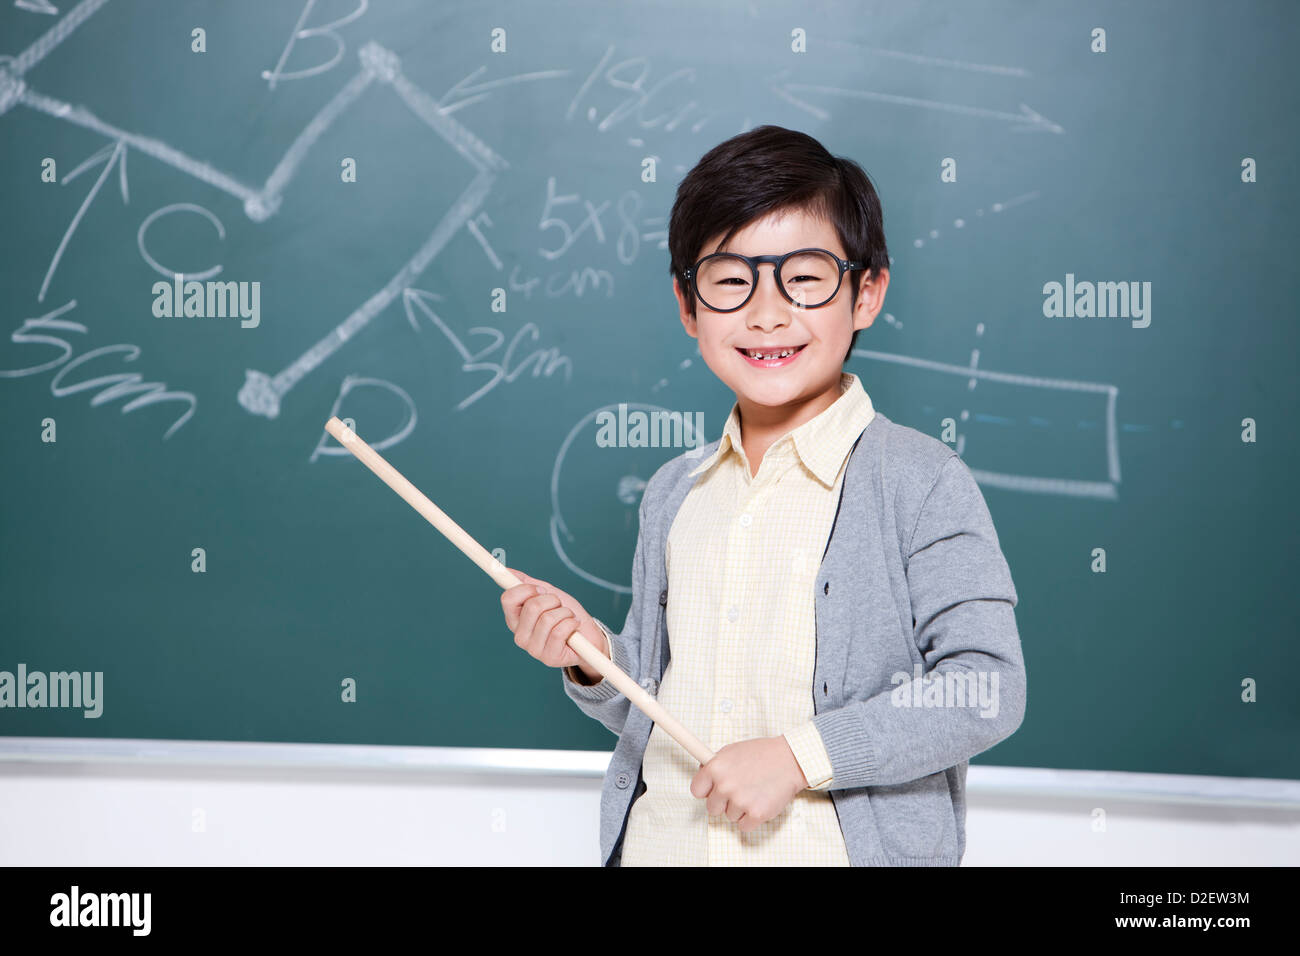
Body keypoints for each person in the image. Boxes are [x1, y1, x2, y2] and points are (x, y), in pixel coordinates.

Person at [501, 124, 1026, 866]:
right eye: (728, 278)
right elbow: (660, 706)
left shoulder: (921, 480)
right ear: (688, 307)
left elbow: (983, 686)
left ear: (866, 292)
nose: (766, 312)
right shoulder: (673, 492)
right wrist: (591, 657)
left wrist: (799, 756)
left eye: (805, 278)